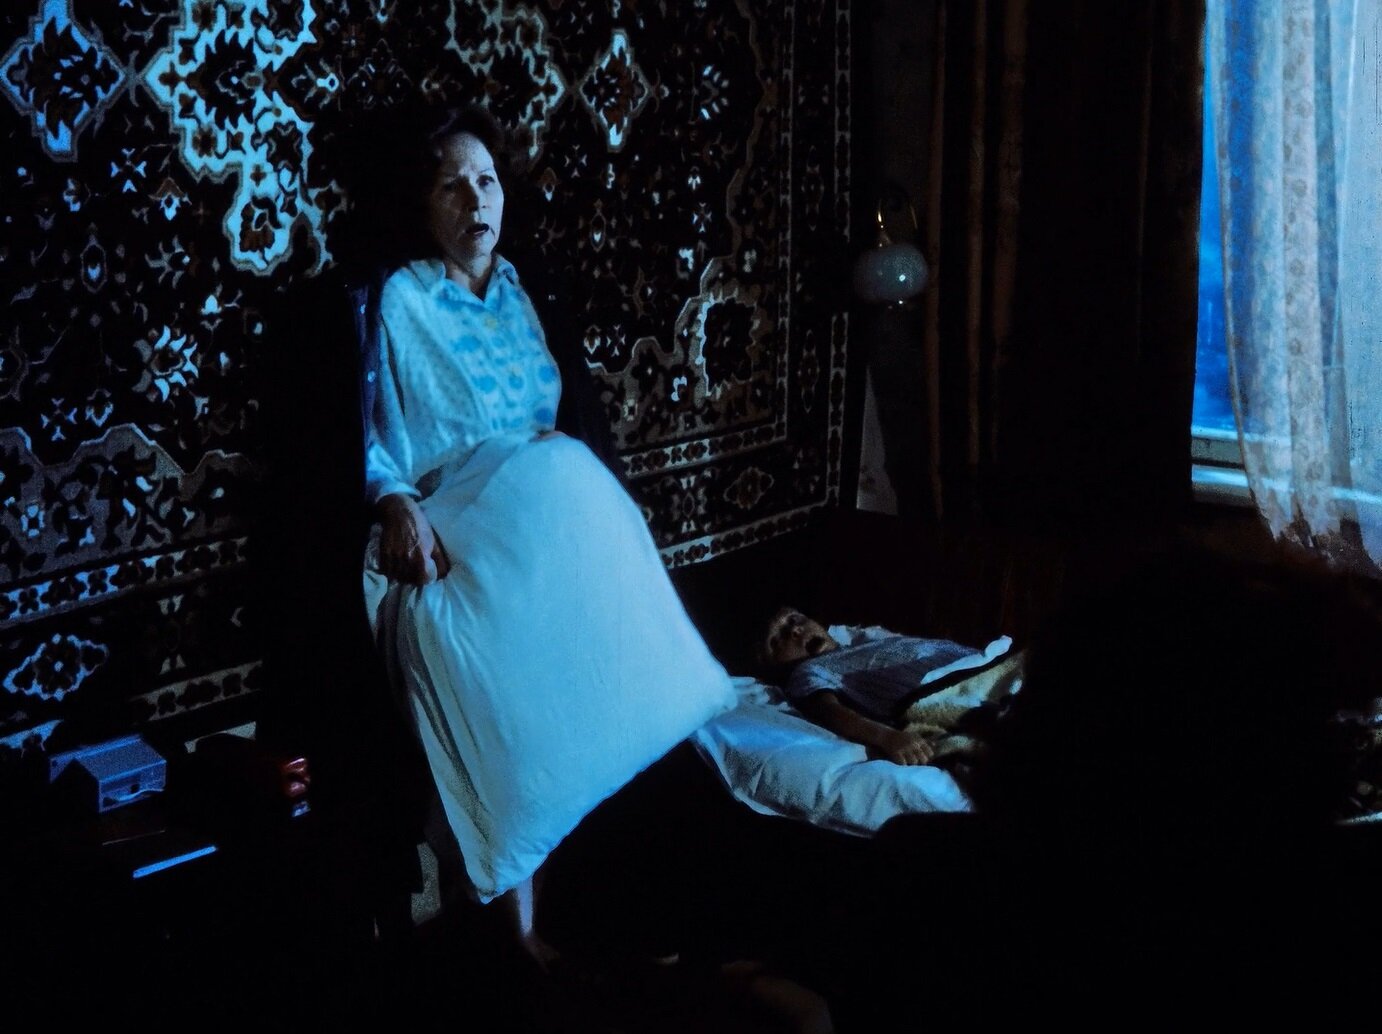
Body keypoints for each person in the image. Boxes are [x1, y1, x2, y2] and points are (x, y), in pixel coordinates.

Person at [344, 103, 873, 1029]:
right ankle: (515, 923)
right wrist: (395, 504)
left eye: (487, 181)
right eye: (451, 186)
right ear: (421, 207)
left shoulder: (522, 292)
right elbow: (378, 435)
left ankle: (677, 931)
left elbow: (561, 421)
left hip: (541, 517)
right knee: (505, 681)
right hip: (457, 515)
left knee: (631, 677)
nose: (475, 200)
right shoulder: (400, 299)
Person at [757, 606, 1022, 772]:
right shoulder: (807, 671)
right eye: (777, 639)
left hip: (992, 664)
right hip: (953, 689)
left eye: (795, 619)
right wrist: (887, 737)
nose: (795, 631)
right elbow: (827, 710)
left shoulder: (862, 641)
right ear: (773, 664)